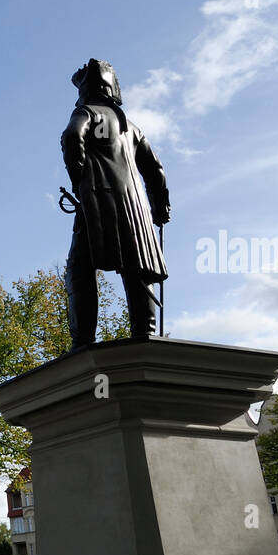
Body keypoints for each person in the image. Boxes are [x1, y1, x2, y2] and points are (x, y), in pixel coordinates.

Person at [61, 58, 170, 348]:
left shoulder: (87, 113)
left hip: (98, 200)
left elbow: (72, 136)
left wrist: (79, 179)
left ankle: (82, 341)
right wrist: (161, 207)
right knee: (138, 268)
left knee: (79, 267)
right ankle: (145, 336)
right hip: (135, 209)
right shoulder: (132, 128)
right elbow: (156, 169)